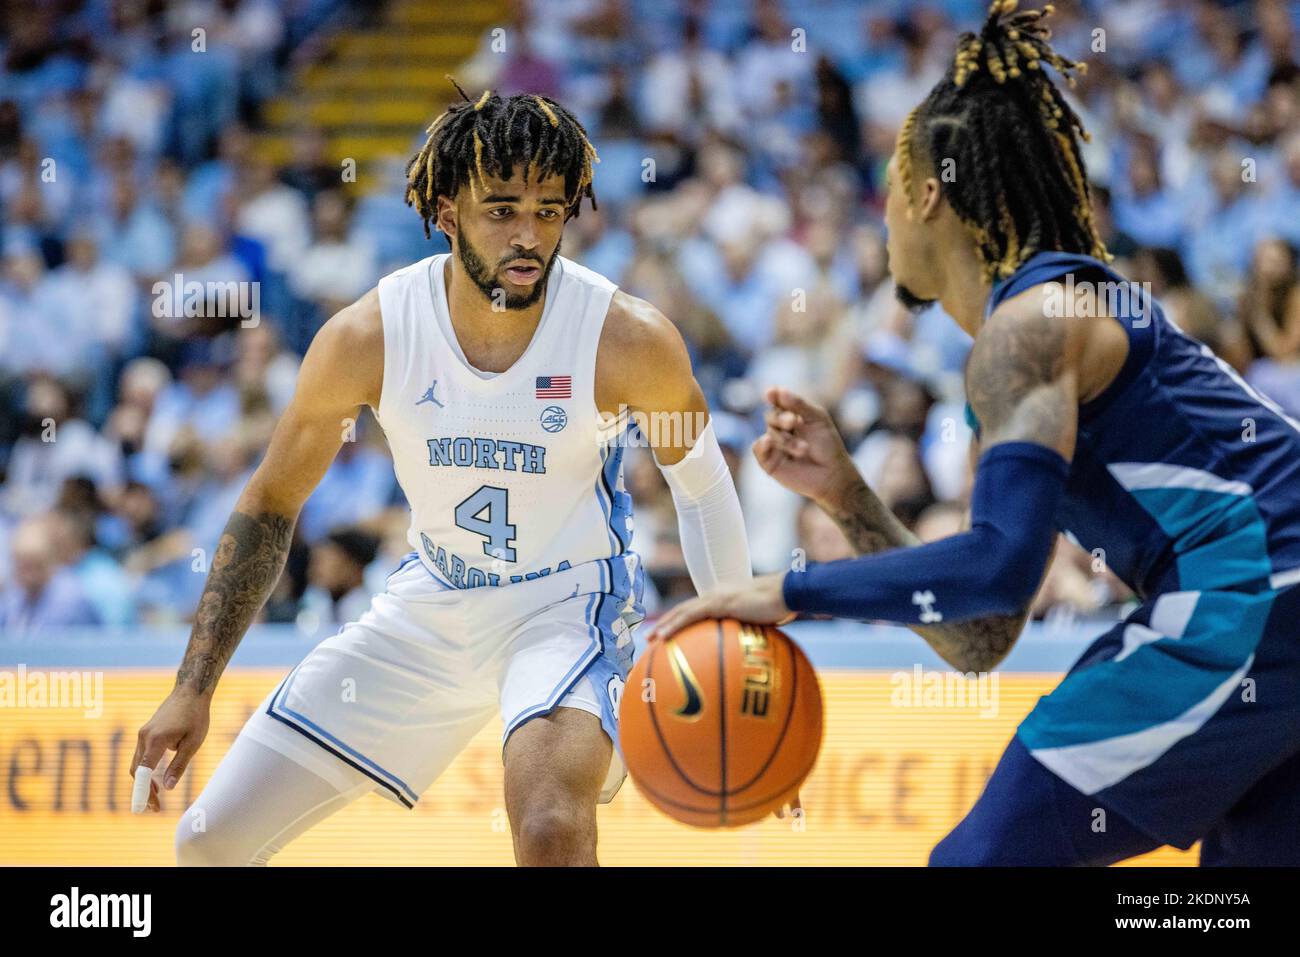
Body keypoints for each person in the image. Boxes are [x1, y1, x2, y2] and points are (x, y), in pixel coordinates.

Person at [649, 0, 1300, 867]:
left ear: (926, 195)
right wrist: (846, 497)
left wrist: (792, 589)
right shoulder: (1051, 318)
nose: (880, 221)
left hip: (1252, 594)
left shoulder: (1026, 326)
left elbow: (999, 565)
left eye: (887, 192)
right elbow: (982, 636)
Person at [131, 88, 752, 866]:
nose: (529, 237)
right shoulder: (370, 334)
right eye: (502, 211)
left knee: (551, 828)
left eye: (550, 211)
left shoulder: (626, 338)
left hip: (565, 605)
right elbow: (271, 502)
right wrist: (194, 685)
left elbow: (701, 483)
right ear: (448, 210)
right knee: (208, 841)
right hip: (432, 601)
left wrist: (738, 643)